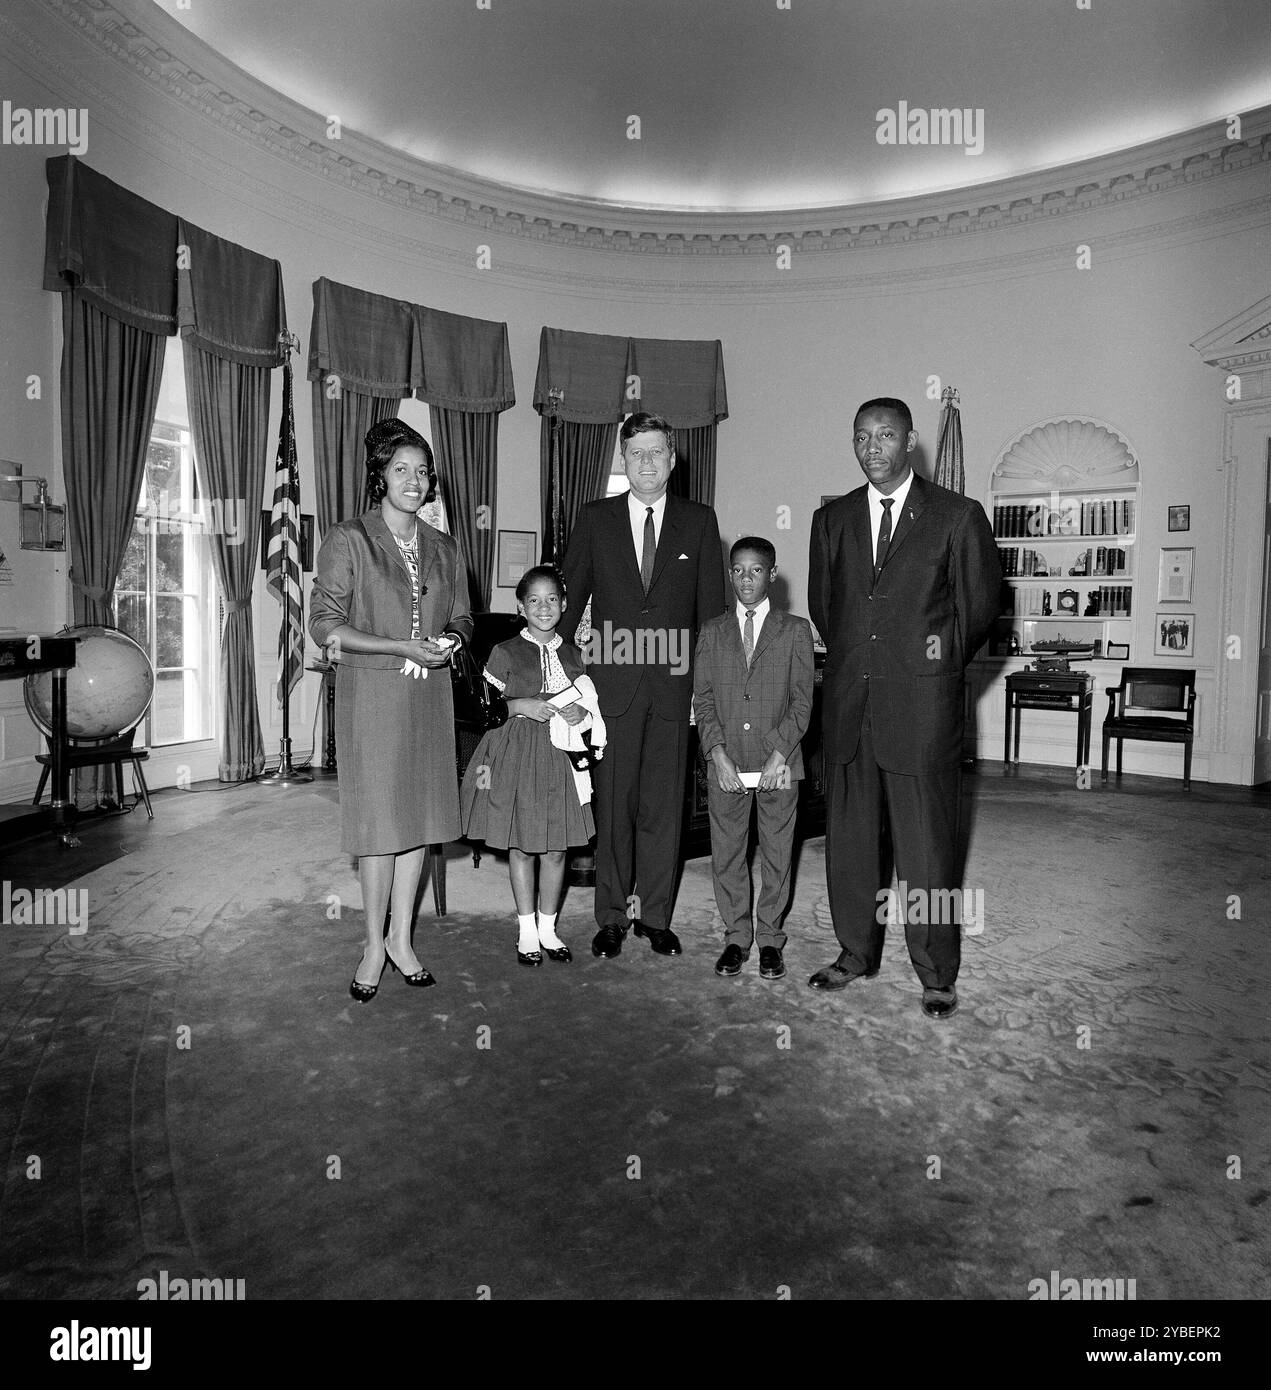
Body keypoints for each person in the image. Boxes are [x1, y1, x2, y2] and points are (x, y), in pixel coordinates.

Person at [808, 397, 1001, 1019]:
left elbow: (977, 611)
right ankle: (854, 953)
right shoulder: (831, 519)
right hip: (848, 706)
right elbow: (825, 609)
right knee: (851, 843)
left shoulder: (956, 515)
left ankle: (937, 972)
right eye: (861, 436)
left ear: (910, 441)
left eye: (885, 435)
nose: (872, 447)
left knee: (927, 851)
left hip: (921, 708)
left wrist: (928, 668)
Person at [309, 418, 473, 1002]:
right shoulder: (348, 538)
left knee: (418, 824)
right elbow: (324, 624)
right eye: (401, 469)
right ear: (379, 477)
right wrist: (400, 646)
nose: (414, 480)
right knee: (380, 829)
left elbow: (462, 615)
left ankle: (403, 941)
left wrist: (449, 641)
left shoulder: (445, 546)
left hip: (429, 698)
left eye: (422, 471)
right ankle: (372, 946)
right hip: (372, 699)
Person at [559, 411, 728, 961]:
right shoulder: (595, 518)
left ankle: (655, 916)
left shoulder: (700, 522)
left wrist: (707, 701)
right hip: (611, 689)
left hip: (674, 690)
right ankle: (610, 917)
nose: (647, 461)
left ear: (673, 459)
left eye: (657, 452)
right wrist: (560, 681)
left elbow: (712, 620)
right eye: (636, 453)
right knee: (613, 808)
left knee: (663, 808)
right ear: (622, 461)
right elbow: (566, 608)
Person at [460, 565, 602, 966]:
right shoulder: (505, 652)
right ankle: (526, 930)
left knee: (556, 848)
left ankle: (548, 927)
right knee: (523, 844)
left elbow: (590, 706)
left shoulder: (574, 654)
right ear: (520, 606)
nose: (544, 607)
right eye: (534, 600)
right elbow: (483, 709)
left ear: (565, 604)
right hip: (516, 751)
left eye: (552, 599)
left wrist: (580, 714)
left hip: (561, 757)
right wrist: (519, 705)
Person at [693, 537, 814, 981]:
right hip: (727, 761)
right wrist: (717, 755)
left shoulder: (796, 630)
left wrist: (779, 753)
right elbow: (702, 700)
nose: (747, 578)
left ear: (772, 574)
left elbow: (803, 703)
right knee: (727, 853)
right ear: (730, 575)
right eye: (739, 570)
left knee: (777, 854)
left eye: (756, 570)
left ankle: (769, 939)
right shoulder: (711, 631)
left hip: (779, 763)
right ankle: (735, 936)